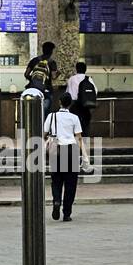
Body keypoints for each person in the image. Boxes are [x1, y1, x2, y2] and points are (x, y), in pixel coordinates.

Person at [45, 91, 88, 222]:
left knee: (56, 180)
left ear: (59, 102)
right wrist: (85, 156)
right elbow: (79, 138)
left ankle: (57, 201)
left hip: (56, 150)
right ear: (70, 104)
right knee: (71, 183)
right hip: (71, 151)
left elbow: (44, 134)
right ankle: (67, 213)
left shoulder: (51, 116)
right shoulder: (74, 118)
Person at [67, 60, 98, 138]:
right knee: (85, 123)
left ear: (76, 69)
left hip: (74, 104)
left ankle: (75, 139)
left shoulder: (71, 79)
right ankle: (84, 139)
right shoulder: (89, 79)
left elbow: (67, 93)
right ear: (85, 69)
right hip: (85, 104)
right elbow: (95, 91)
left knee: (74, 123)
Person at [25, 41, 58, 112]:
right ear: (51, 51)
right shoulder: (52, 62)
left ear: (43, 50)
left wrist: (34, 80)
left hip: (33, 90)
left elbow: (26, 74)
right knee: (45, 112)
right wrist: (58, 73)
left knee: (33, 112)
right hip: (46, 91)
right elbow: (53, 77)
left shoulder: (34, 60)